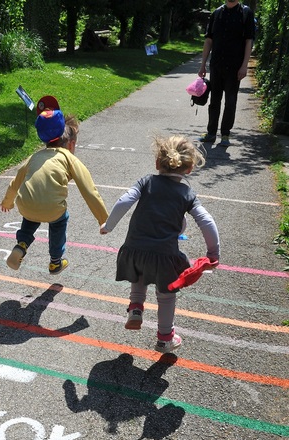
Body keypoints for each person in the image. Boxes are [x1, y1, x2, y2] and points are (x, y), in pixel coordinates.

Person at [100, 135, 220, 353]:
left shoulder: (146, 182)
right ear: (190, 168)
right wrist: (213, 252)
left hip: (134, 249)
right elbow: (206, 220)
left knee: (139, 275)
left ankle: (136, 308)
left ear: (157, 163)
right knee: (166, 297)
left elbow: (124, 200)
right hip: (165, 256)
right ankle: (165, 339)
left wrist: (109, 226)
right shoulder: (187, 194)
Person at [0, 95, 108, 275]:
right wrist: (103, 219)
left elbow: (15, 182)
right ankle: (55, 261)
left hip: (25, 205)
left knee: (30, 216)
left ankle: (21, 244)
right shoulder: (68, 158)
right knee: (59, 220)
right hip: (52, 209)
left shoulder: (34, 157)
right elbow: (89, 190)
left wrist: (8, 203)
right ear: (71, 144)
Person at [198, 0, 256, 147]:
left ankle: (225, 134)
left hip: (235, 67)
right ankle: (211, 133)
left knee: (230, 102)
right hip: (217, 65)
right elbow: (209, 40)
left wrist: (244, 66)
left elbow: (249, 41)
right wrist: (203, 64)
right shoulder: (216, 13)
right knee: (214, 101)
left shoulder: (245, 13)